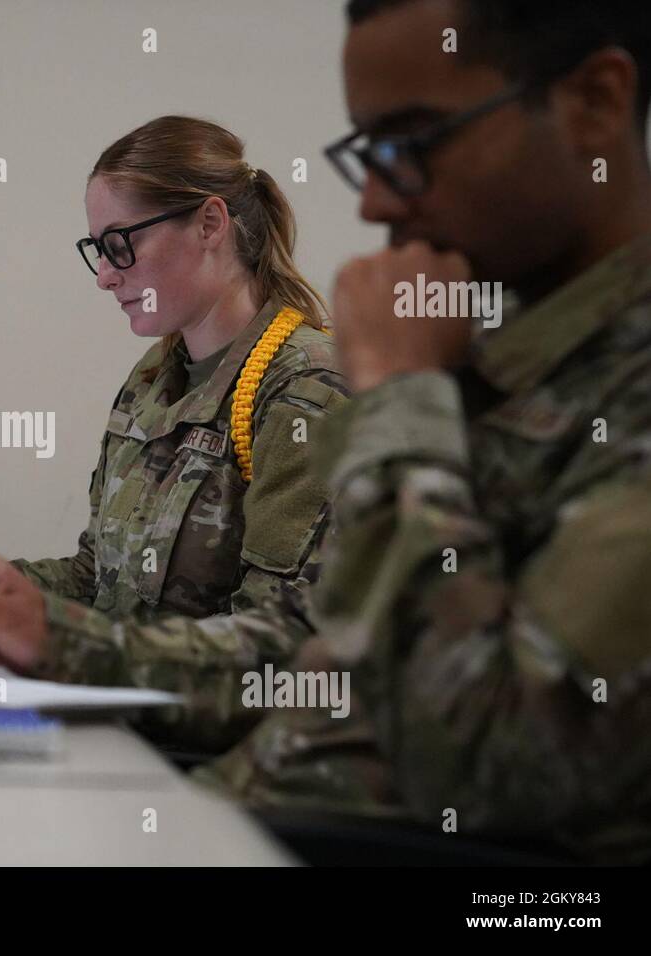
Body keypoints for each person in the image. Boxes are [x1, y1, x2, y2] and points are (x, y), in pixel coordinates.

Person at [201, 0, 651, 864]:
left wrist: (399, 397)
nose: (373, 203)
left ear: (594, 103)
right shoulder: (495, 354)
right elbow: (319, 646)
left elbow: (497, 763)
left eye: (411, 146)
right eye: (366, 154)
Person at [0, 115, 349, 755]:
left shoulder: (306, 389)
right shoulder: (158, 376)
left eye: (120, 244)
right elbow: (96, 579)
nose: (106, 275)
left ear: (210, 224)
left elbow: (285, 656)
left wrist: (58, 643)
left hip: (231, 766)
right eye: (97, 251)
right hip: (135, 731)